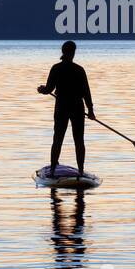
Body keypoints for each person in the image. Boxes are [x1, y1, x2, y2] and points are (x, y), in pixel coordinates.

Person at [37, 41, 95, 177]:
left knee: (58, 138)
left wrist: (42, 90)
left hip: (62, 106)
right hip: (77, 107)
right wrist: (91, 110)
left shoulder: (56, 68)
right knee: (79, 140)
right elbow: (86, 92)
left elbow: (49, 89)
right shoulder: (79, 70)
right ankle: (80, 171)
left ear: (63, 52)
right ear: (73, 53)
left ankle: (52, 170)